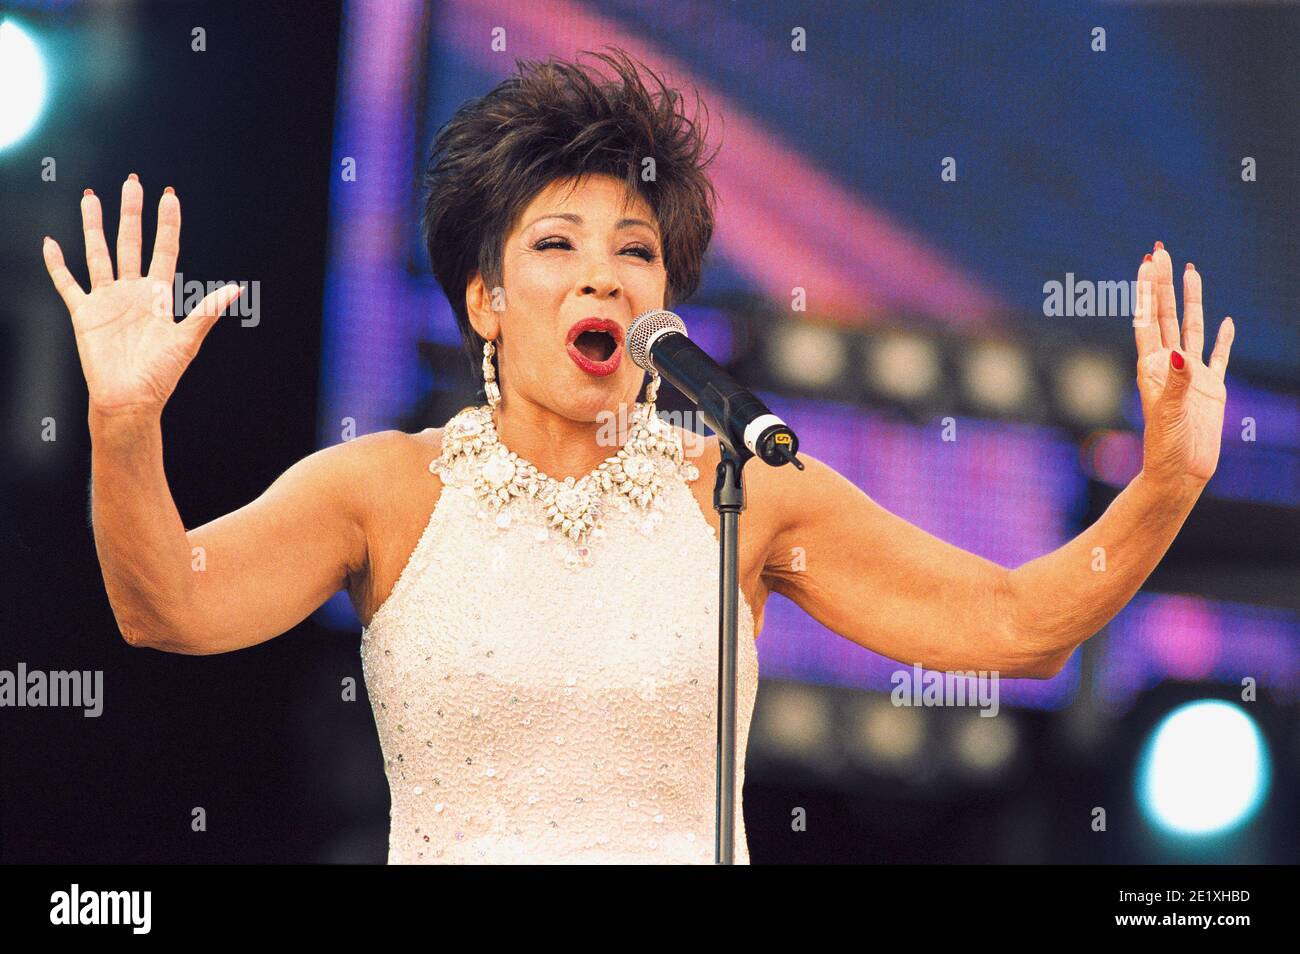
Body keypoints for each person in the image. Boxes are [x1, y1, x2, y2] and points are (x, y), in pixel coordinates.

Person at [42, 50, 1235, 864]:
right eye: (555, 244)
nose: (604, 272)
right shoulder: (384, 490)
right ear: (486, 299)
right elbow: (169, 608)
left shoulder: (744, 490)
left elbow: (1015, 625)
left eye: (636, 250)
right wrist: (122, 427)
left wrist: (1165, 481)